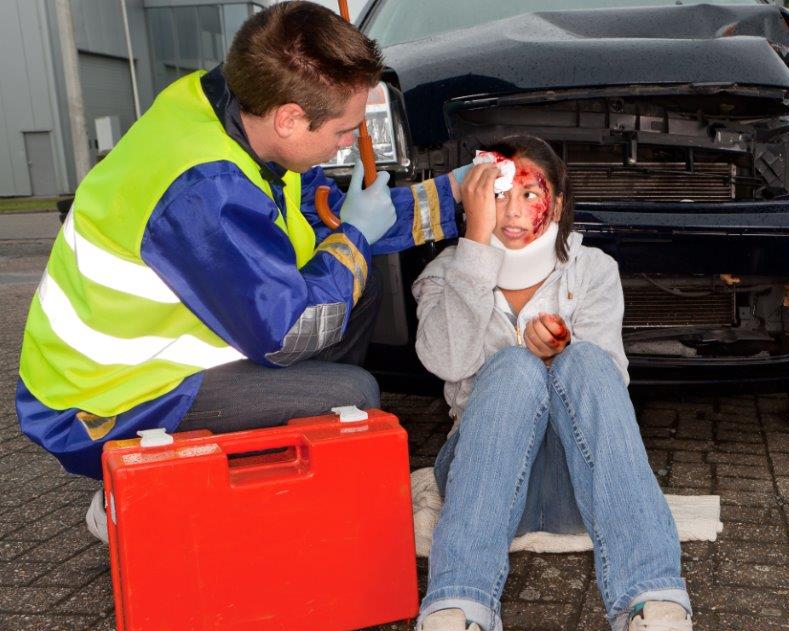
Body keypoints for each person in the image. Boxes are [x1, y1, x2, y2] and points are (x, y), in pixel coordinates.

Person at [14, 1, 467, 542]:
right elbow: (291, 330)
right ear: (290, 119)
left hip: (160, 363)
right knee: (352, 394)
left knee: (356, 284)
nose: (348, 143)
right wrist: (355, 237)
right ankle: (142, 493)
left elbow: (325, 219)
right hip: (105, 404)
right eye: (344, 131)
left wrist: (456, 196)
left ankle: (281, 452)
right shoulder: (206, 189)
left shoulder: (230, 111)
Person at [400, 135, 713, 631]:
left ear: (558, 202)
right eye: (496, 195)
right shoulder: (445, 274)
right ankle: (452, 616)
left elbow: (608, 392)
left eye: (527, 193)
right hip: (486, 484)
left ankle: (656, 612)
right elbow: (445, 359)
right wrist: (475, 251)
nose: (513, 211)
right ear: (473, 199)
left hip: (578, 482)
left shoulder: (592, 271)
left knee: (589, 366)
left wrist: (562, 353)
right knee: (514, 370)